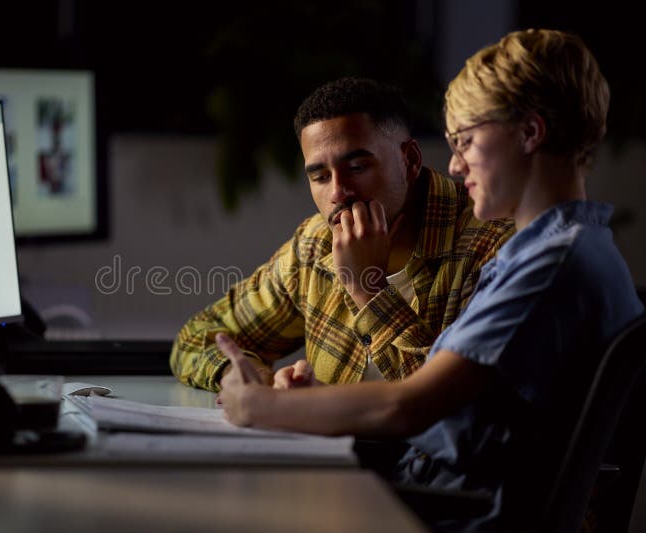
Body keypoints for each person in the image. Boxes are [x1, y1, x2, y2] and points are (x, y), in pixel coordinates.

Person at [216, 29, 644, 529]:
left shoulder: (551, 266)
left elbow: (407, 407)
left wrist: (257, 406)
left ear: (530, 133)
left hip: (446, 515)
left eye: (465, 141)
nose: (456, 166)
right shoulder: (560, 249)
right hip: (426, 491)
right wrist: (314, 404)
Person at [170, 78, 515, 392]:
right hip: (332, 456)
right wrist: (249, 378)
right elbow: (197, 338)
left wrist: (368, 289)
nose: (338, 192)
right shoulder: (315, 243)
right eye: (320, 177)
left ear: (409, 160)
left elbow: (454, 404)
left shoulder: (491, 246)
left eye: (356, 167)